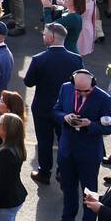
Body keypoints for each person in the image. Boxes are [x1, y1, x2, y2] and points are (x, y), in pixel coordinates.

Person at [43, 69, 111, 221]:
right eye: (78, 91)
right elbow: (56, 110)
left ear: (93, 84)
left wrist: (91, 124)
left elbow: (109, 128)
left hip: (89, 153)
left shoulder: (104, 98)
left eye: (86, 92)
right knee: (68, 187)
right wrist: (64, 117)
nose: (82, 94)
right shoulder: (66, 88)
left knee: (89, 192)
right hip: (67, 149)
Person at [23, 22, 83, 185]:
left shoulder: (39, 59)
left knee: (44, 141)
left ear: (51, 37)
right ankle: (62, 172)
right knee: (65, 140)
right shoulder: (76, 60)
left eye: (44, 34)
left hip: (42, 107)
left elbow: (28, 82)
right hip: (65, 108)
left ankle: (44, 172)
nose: (43, 36)